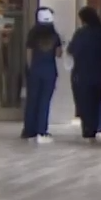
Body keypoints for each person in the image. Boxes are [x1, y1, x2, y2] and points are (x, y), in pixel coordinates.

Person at [23, 7, 63, 143]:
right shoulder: (55, 36)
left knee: (32, 101)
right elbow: (59, 54)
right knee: (44, 101)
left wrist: (30, 69)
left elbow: (28, 54)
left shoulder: (32, 34)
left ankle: (29, 131)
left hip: (35, 70)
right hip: (49, 71)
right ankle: (41, 131)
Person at [68, 6, 101, 141]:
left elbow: (72, 50)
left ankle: (88, 128)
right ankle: (98, 125)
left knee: (85, 101)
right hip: (100, 72)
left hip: (83, 72)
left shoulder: (81, 33)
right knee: (97, 100)